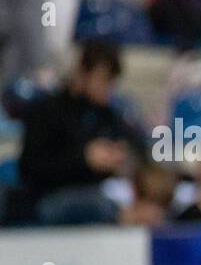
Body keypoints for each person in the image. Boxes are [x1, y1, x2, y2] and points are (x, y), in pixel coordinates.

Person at [14, 39, 142, 225]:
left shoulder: (108, 116)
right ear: (82, 73)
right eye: (103, 80)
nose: (107, 89)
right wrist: (84, 159)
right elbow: (31, 169)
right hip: (50, 197)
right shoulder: (47, 111)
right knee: (100, 205)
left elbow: (136, 148)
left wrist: (121, 158)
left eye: (111, 82)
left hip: (99, 193)